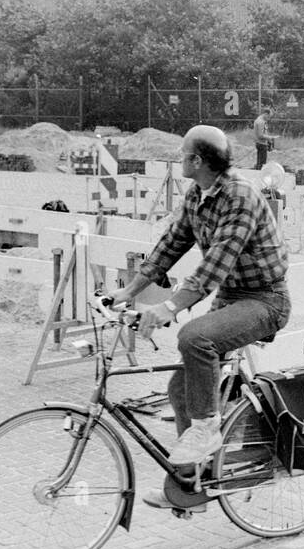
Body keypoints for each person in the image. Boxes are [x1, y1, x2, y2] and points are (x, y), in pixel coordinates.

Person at [109, 125, 290, 506]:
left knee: (194, 337)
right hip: (231, 297)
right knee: (179, 389)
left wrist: (169, 307)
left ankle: (207, 430)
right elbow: (170, 245)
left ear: (196, 161)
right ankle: (193, 483)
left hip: (265, 300)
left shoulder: (240, 196)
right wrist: (126, 293)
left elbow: (214, 264)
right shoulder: (198, 194)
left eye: (182, 154)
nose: (178, 160)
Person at [253, 104, 275, 169]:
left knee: (259, 162)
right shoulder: (261, 122)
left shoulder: (261, 120)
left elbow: (264, 131)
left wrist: (269, 139)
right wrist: (269, 138)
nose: (269, 118)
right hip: (261, 144)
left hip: (260, 143)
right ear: (266, 114)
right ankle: (260, 174)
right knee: (262, 164)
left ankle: (258, 171)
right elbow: (260, 135)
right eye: (269, 116)